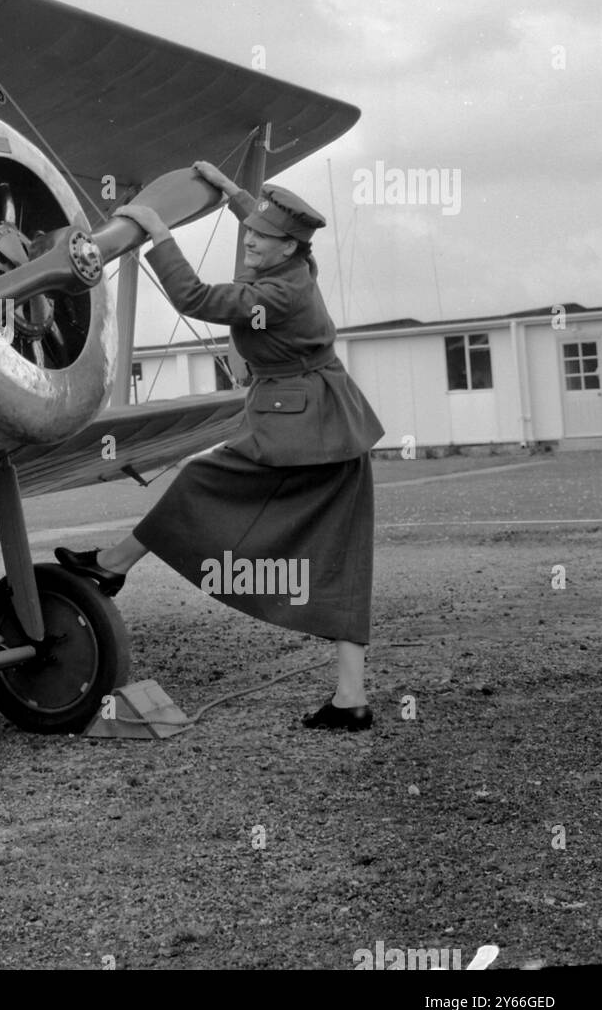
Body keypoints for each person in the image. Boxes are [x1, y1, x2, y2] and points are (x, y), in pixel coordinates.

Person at [56, 160, 384, 731]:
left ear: (288, 248)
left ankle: (113, 565)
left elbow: (196, 297)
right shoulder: (296, 264)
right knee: (344, 559)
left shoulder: (276, 295)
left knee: (198, 481)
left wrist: (158, 233)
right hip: (336, 424)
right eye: (249, 230)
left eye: (262, 238)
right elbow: (263, 227)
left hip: (300, 423)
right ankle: (350, 699)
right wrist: (232, 191)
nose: (250, 241)